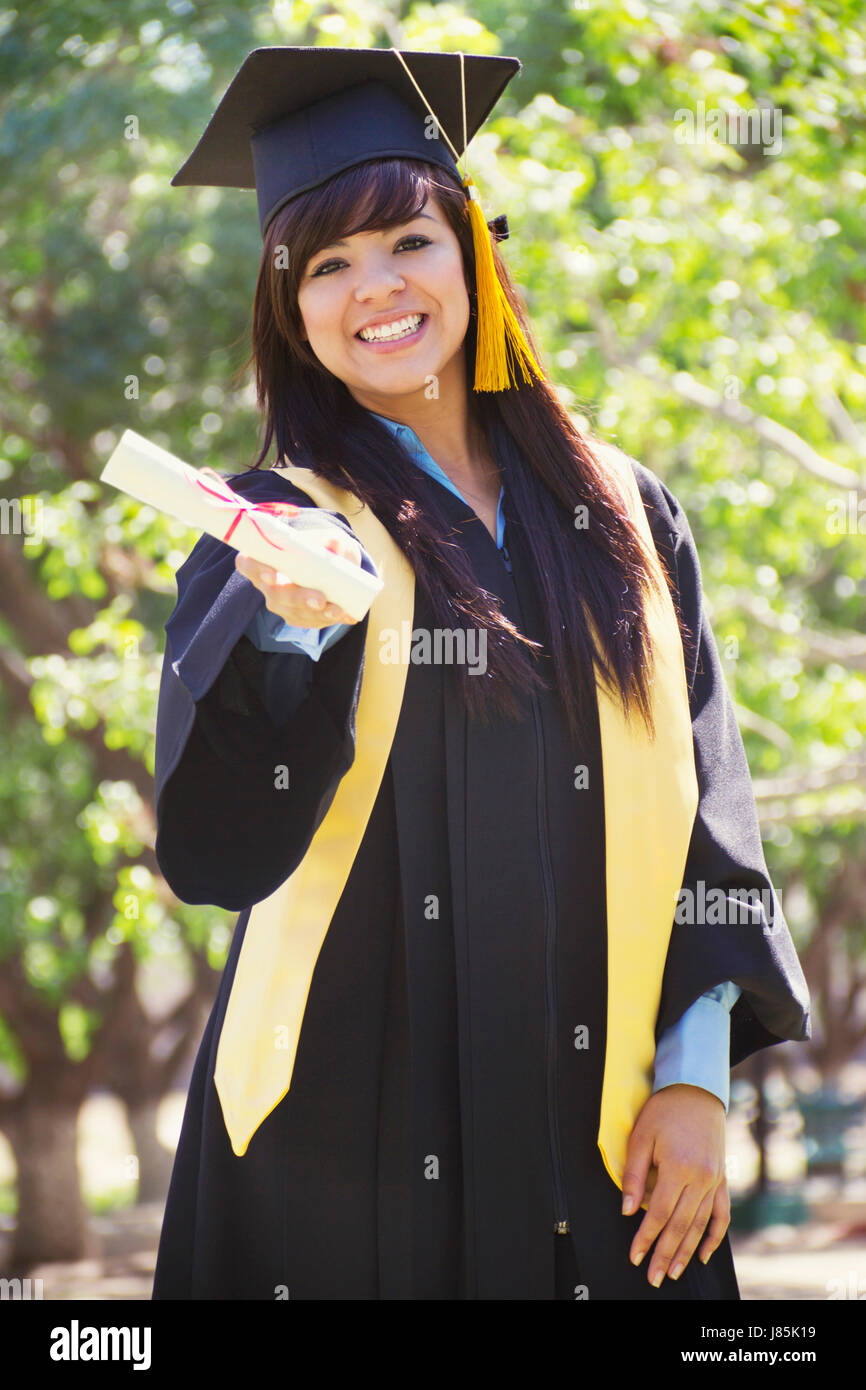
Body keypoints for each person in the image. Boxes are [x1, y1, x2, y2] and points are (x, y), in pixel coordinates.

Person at [150, 45, 810, 1301]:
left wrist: (695, 1072)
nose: (376, 289)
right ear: (287, 309)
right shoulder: (274, 527)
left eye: (407, 240)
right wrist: (285, 634)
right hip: (345, 1152)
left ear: (472, 254)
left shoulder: (620, 510)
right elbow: (218, 850)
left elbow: (710, 813)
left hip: (605, 1137)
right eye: (327, 265)